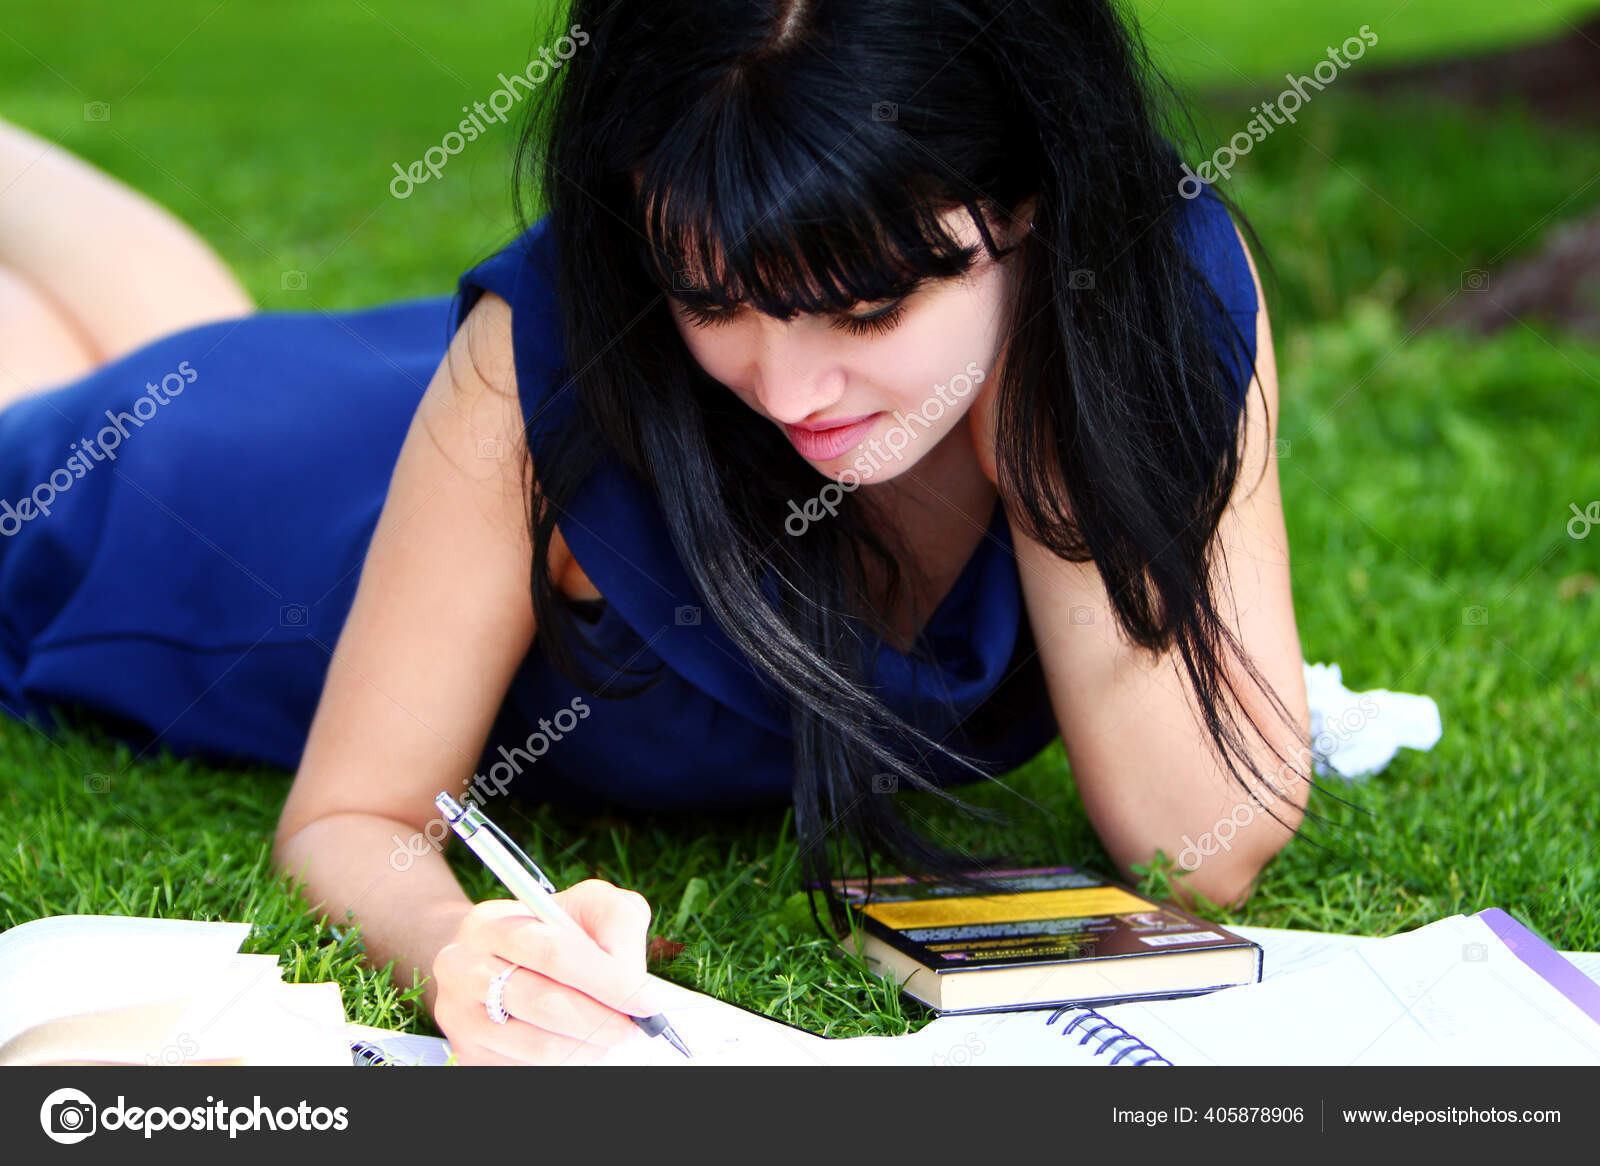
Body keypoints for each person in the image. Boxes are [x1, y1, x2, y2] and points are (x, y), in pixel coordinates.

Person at [0, 0, 1312, 1065]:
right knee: (91, 413)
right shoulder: (551, 360)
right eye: (711, 294)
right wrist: (461, 941)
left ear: (1031, 209)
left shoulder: (1149, 281)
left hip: (391, 401)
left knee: (192, 340)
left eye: (865, 312)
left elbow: (1201, 837)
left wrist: (1048, 428)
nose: (790, 389)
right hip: (211, 507)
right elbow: (350, 813)